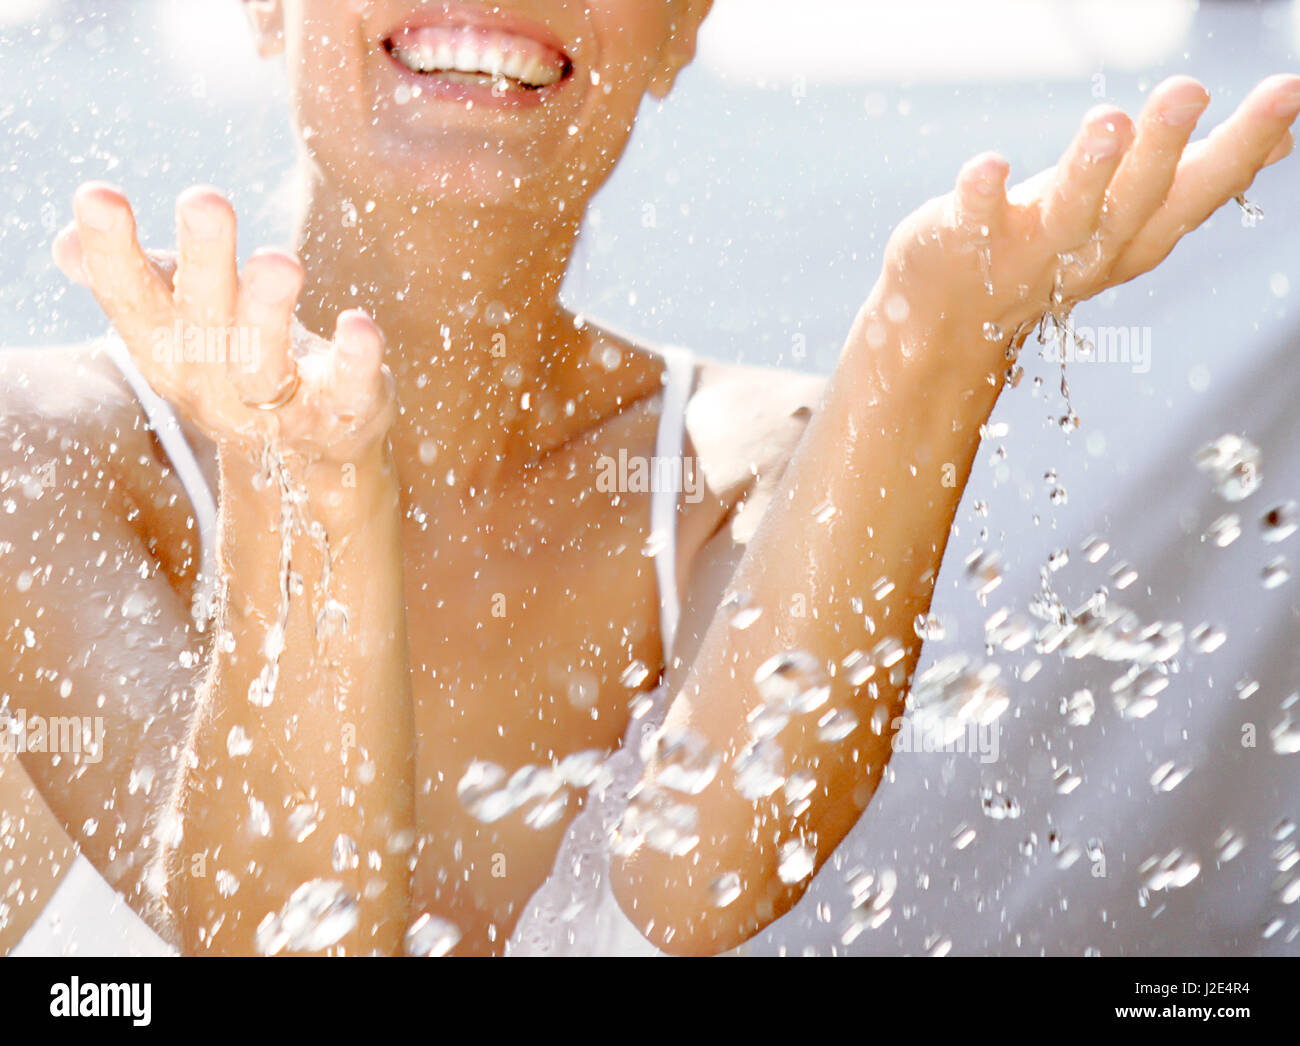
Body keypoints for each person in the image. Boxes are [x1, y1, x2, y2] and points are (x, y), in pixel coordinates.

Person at [3, 0, 1297, 956]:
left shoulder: (751, 468)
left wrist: (936, 343)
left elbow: (697, 880)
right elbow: (276, 938)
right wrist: (309, 504)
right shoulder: (38, 459)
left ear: (685, 26)